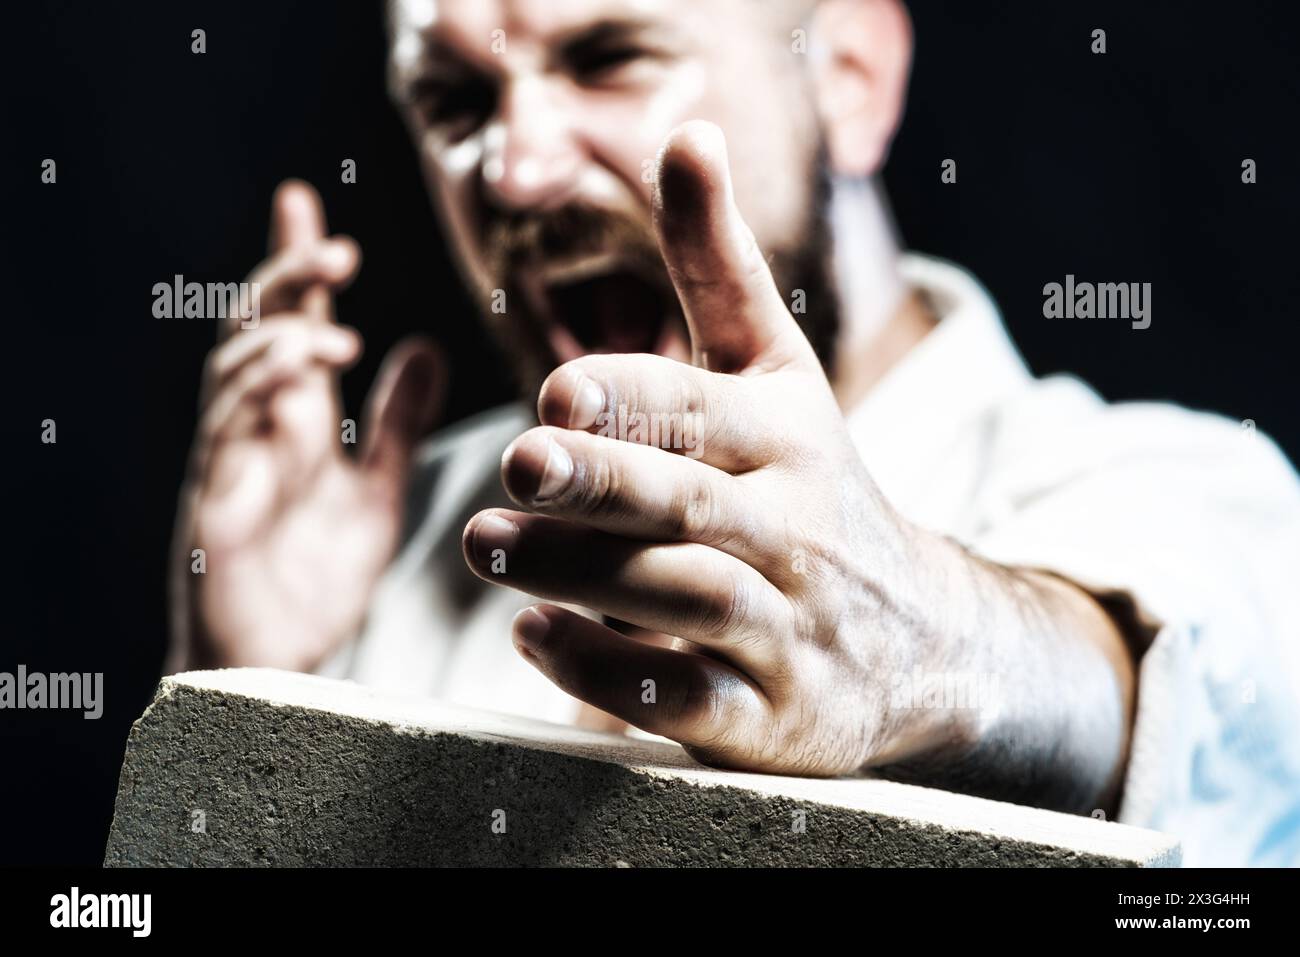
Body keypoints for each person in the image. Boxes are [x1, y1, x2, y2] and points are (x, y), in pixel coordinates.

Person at [167, 0, 1300, 865]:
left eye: (607, 59)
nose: (511, 171)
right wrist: (243, 687)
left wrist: (933, 651)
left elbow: (1152, 693)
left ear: (849, 79)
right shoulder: (392, 536)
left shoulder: (1198, 500)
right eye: (453, 103)